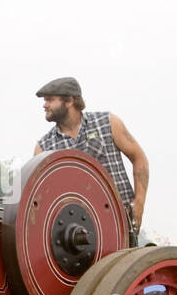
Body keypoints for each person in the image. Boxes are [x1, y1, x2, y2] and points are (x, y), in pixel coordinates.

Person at [32, 77, 149, 240]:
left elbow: (139, 159)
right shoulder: (43, 148)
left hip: (120, 224)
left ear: (70, 100)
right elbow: (41, 197)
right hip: (76, 237)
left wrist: (139, 203)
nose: (45, 105)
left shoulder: (108, 123)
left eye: (50, 100)